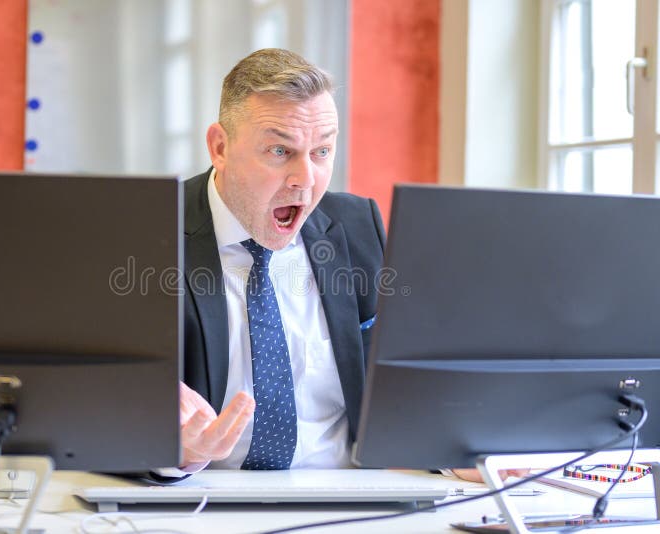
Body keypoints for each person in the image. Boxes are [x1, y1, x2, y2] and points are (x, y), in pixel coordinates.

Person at [162, 48, 523, 482]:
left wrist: (453, 452)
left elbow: (402, 387)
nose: (305, 179)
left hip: (349, 495)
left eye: (321, 151)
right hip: (201, 500)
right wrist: (170, 449)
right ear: (220, 147)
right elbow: (98, 409)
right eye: (280, 150)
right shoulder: (151, 231)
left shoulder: (356, 226)